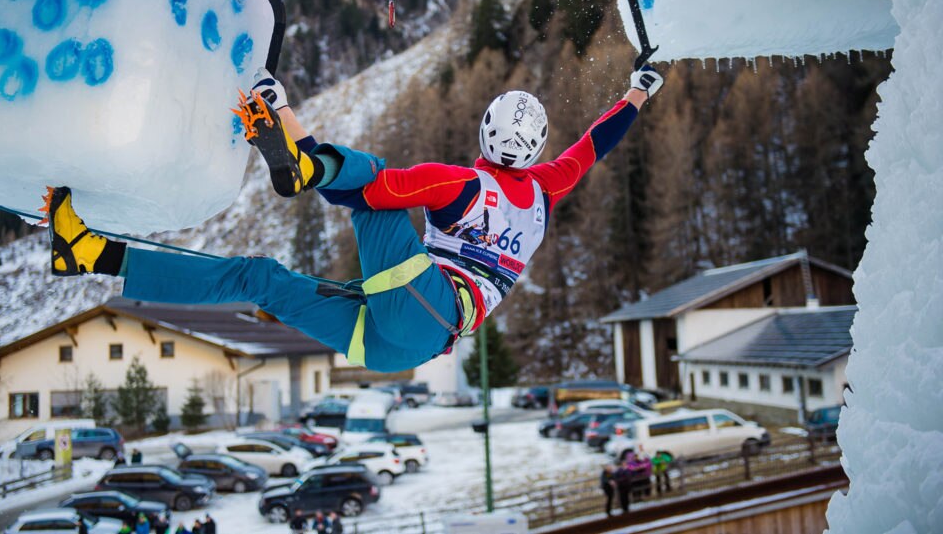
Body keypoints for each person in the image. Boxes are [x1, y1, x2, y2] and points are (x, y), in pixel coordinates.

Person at [44, 65, 663, 372]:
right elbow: (591, 147)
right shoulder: (548, 190)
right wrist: (635, 96)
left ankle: (303, 161)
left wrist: (287, 117)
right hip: (395, 348)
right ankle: (94, 256)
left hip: (426, 302)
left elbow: (362, 192)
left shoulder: (457, 183)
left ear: (485, 132)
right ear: (536, 148)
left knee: (371, 179)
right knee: (259, 277)